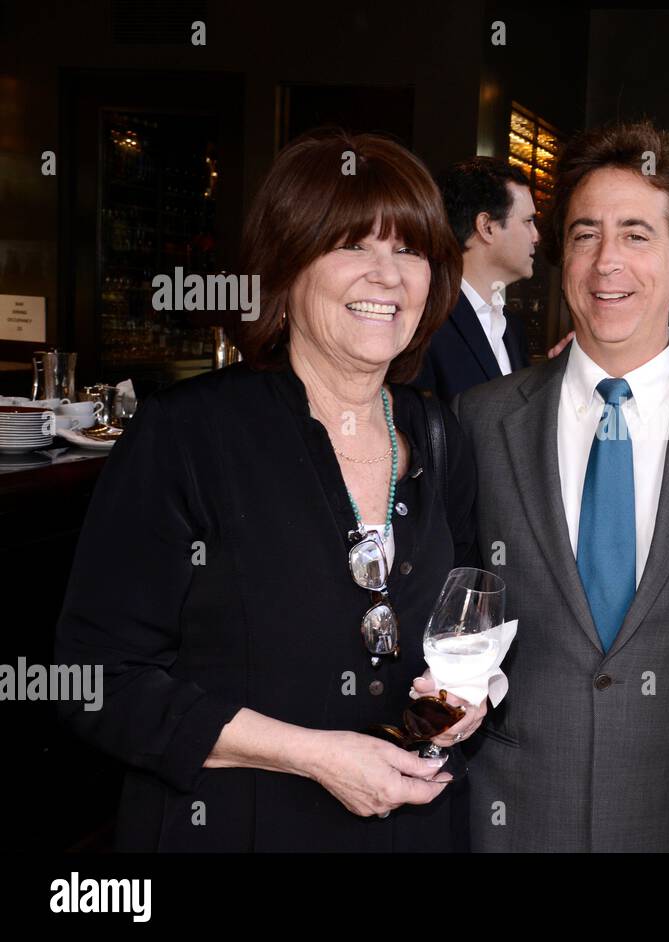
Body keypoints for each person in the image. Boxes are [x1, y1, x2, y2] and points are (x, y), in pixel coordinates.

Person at [55, 129, 487, 851]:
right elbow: (98, 681)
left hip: (414, 830)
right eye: (353, 244)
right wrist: (316, 756)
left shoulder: (440, 436)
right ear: (285, 269)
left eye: (409, 249)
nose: (387, 276)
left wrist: (471, 696)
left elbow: (475, 615)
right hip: (237, 827)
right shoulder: (188, 436)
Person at [456, 121, 669, 852]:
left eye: (637, 235)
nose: (607, 261)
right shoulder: (483, 420)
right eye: (584, 235)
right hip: (513, 813)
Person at [414, 157, 536, 400]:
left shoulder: (511, 327)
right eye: (528, 221)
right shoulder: (424, 325)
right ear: (487, 227)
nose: (536, 236)